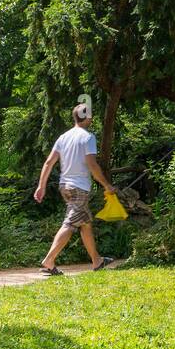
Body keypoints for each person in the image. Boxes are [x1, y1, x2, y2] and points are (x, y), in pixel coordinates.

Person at [34, 104, 119, 276]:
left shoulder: (63, 137)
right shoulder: (87, 137)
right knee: (71, 223)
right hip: (79, 188)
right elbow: (92, 165)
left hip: (65, 187)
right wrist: (106, 185)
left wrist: (41, 186)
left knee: (85, 224)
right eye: (91, 116)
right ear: (86, 118)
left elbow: (49, 162)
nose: (92, 119)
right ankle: (49, 260)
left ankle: (97, 260)